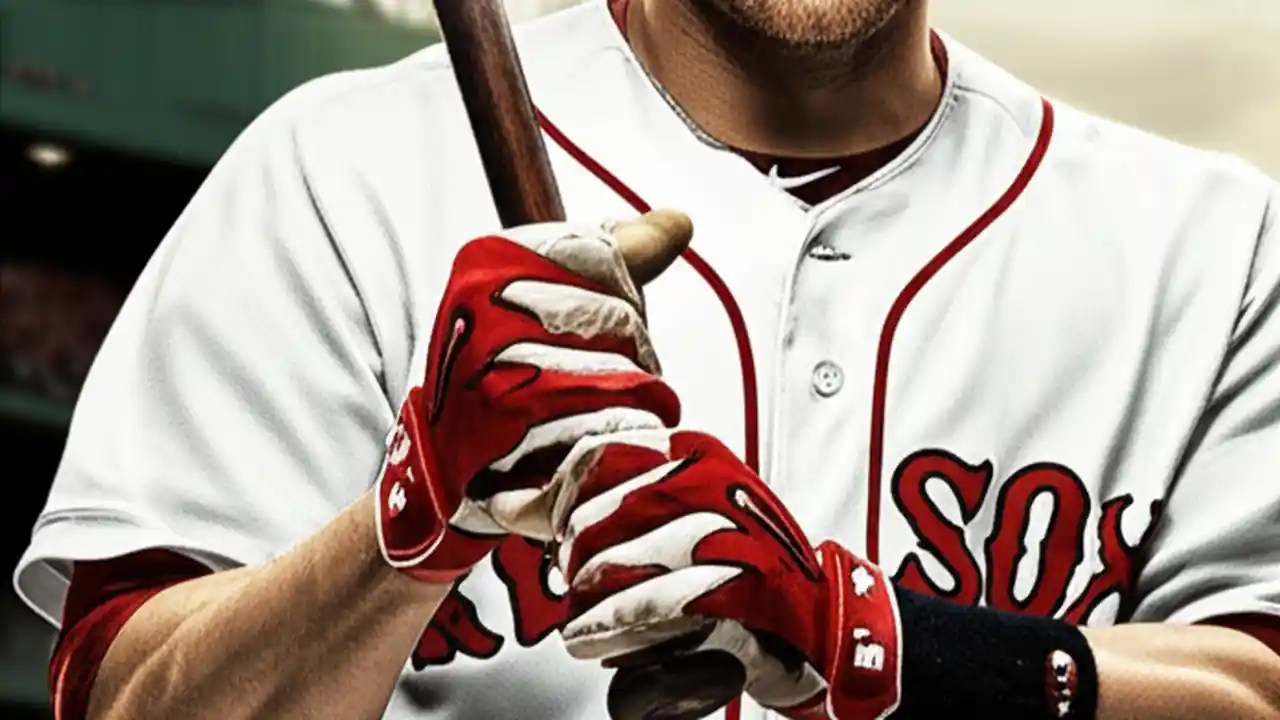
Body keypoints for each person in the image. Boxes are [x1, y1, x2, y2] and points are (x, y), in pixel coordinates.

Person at [14, 0, 1280, 718]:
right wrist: (407, 524)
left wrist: (874, 639)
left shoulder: (1214, 247)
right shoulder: (339, 174)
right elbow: (129, 704)